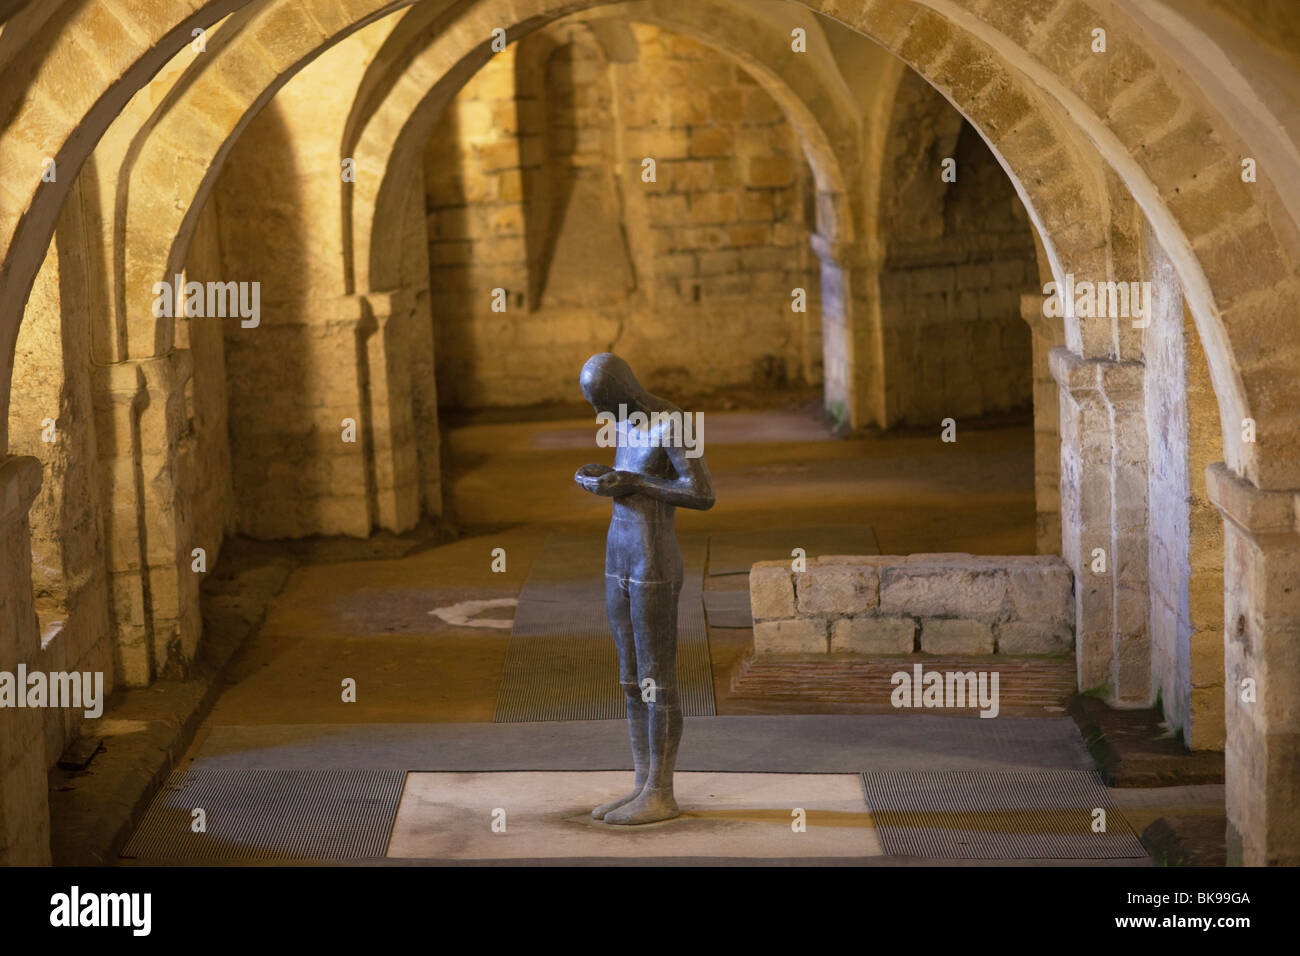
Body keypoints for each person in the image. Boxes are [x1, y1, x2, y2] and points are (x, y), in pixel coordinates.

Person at [574, 353, 715, 824]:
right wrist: (604, 480)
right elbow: (633, 480)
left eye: (603, 405)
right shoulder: (626, 421)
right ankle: (640, 783)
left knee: (657, 678)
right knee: (630, 677)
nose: (599, 417)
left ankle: (661, 791)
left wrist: (633, 481)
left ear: (626, 392)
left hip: (654, 556)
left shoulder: (674, 422)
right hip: (619, 549)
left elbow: (701, 494)